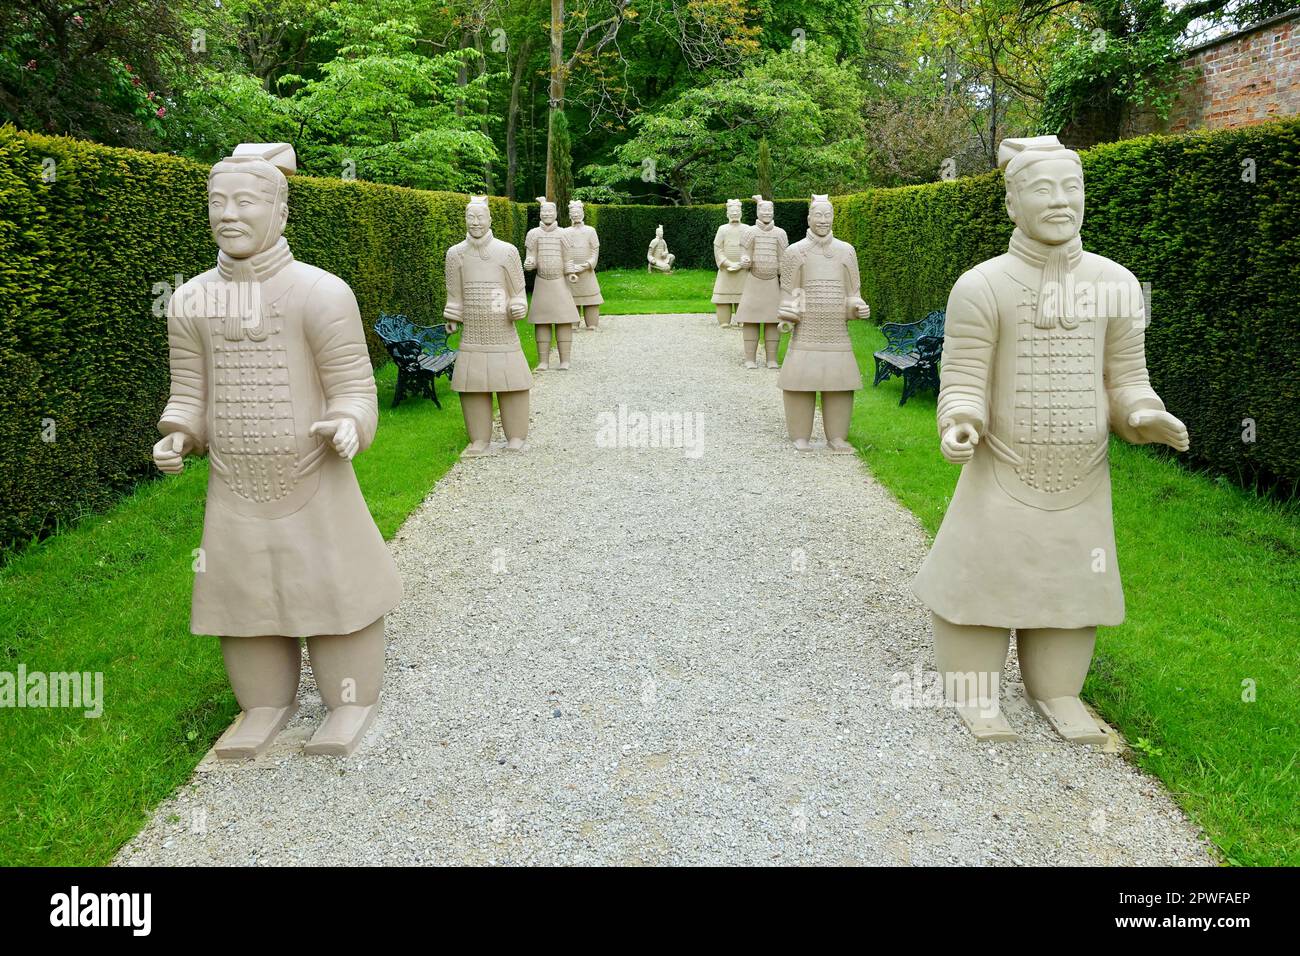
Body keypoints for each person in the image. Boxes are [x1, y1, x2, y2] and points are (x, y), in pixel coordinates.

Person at [912, 135, 1190, 743]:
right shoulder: (982, 286)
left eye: (1073, 187)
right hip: (1002, 470)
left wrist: (1144, 414)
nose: (1061, 201)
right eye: (1043, 189)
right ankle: (977, 695)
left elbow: (1127, 379)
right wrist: (960, 420)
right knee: (981, 579)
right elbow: (962, 378)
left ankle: (1059, 692)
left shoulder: (1116, 283)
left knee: (1071, 586)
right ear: (1012, 203)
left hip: (1082, 474)